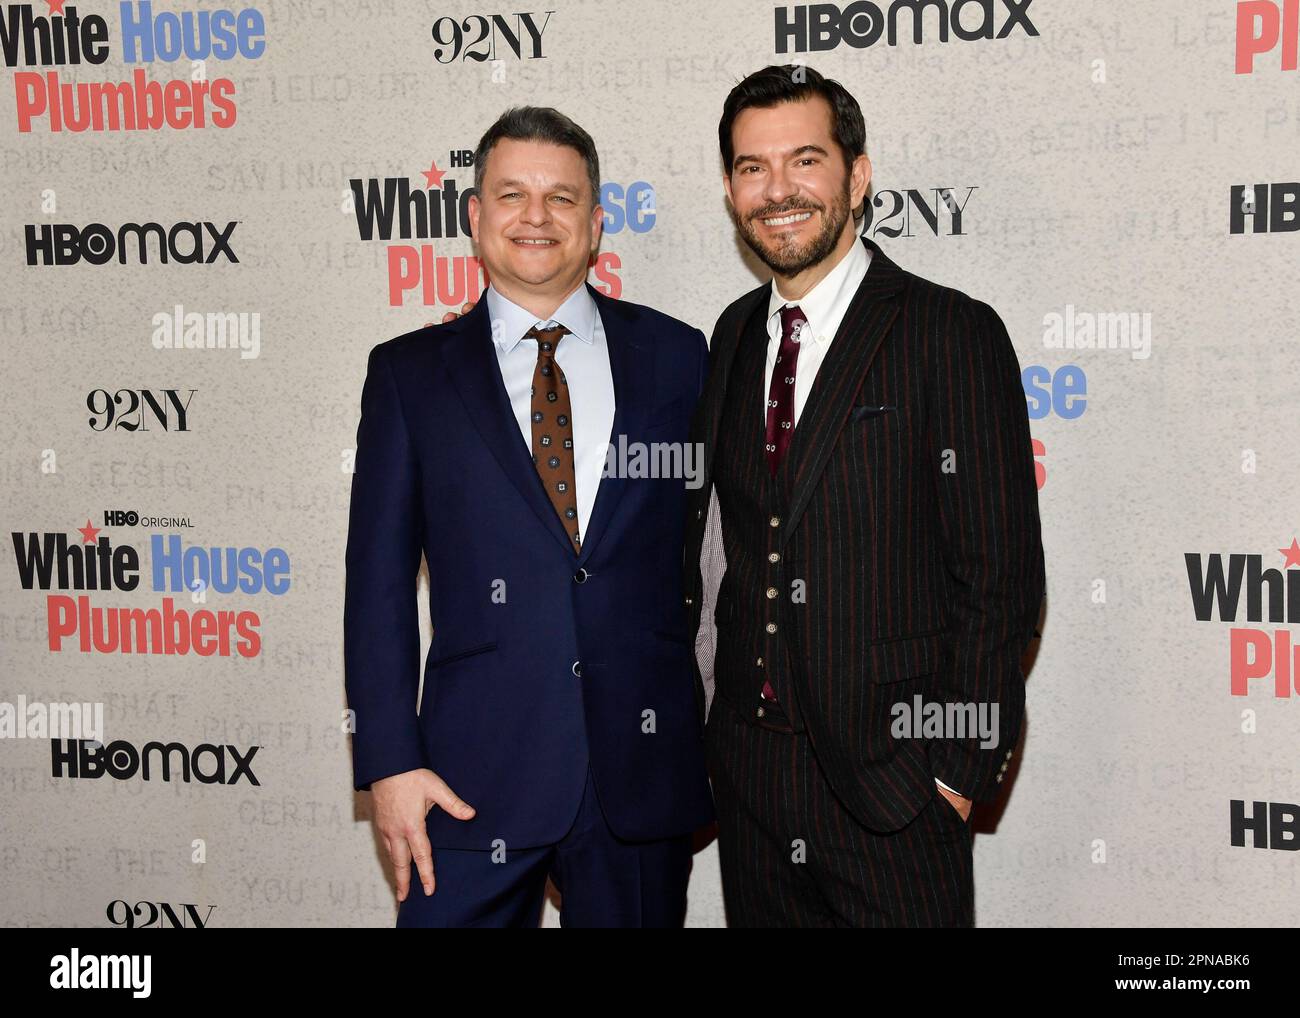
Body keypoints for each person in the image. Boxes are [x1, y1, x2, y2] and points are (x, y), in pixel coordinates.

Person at [685, 65, 1046, 927]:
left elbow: (1000, 580)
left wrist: (955, 772)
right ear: (732, 188)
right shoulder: (733, 333)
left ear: (858, 174)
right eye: (751, 167)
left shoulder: (948, 331)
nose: (778, 191)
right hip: (751, 778)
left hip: (893, 789)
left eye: (805, 160)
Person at [344, 106, 713, 927]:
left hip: (640, 775)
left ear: (596, 220)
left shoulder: (680, 357)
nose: (537, 217)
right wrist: (390, 765)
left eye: (562, 197)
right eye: (512, 195)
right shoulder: (409, 376)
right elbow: (375, 586)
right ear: (475, 217)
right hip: (466, 778)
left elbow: (719, 550)